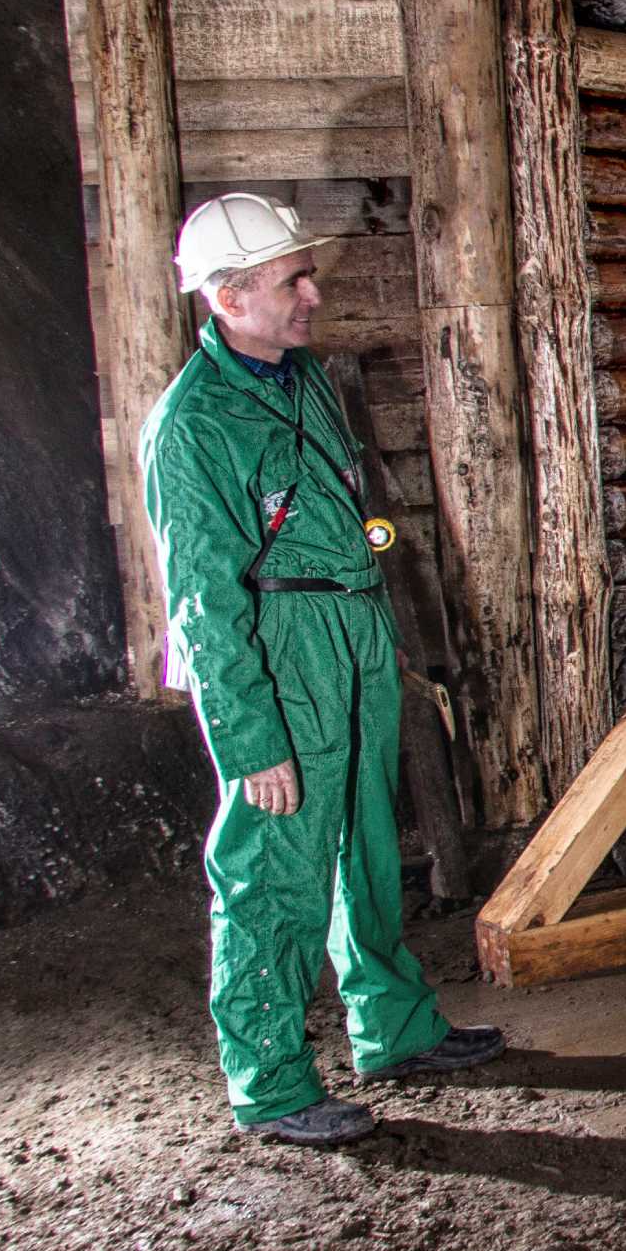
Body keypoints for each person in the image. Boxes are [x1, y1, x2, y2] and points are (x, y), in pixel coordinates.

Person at [142, 192, 504, 1148]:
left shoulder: (297, 377)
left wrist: (374, 633)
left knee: (367, 850)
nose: (312, 292)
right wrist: (252, 737)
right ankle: (269, 1084)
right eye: (289, 279)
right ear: (227, 297)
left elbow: (333, 508)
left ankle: (392, 1028)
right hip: (278, 647)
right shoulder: (191, 426)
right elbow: (203, 607)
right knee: (272, 873)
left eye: (306, 273)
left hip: (346, 630)